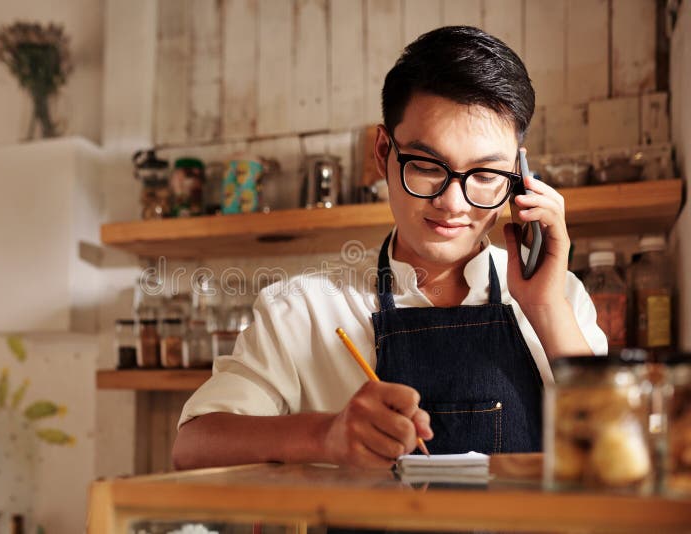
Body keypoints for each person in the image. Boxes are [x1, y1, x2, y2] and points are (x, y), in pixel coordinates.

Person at [172, 25, 607, 470]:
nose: (452, 203)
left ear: (519, 173)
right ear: (383, 152)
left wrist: (547, 309)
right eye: (425, 165)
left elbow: (616, 452)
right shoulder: (304, 309)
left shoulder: (561, 298)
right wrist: (325, 434)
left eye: (486, 174)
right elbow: (192, 446)